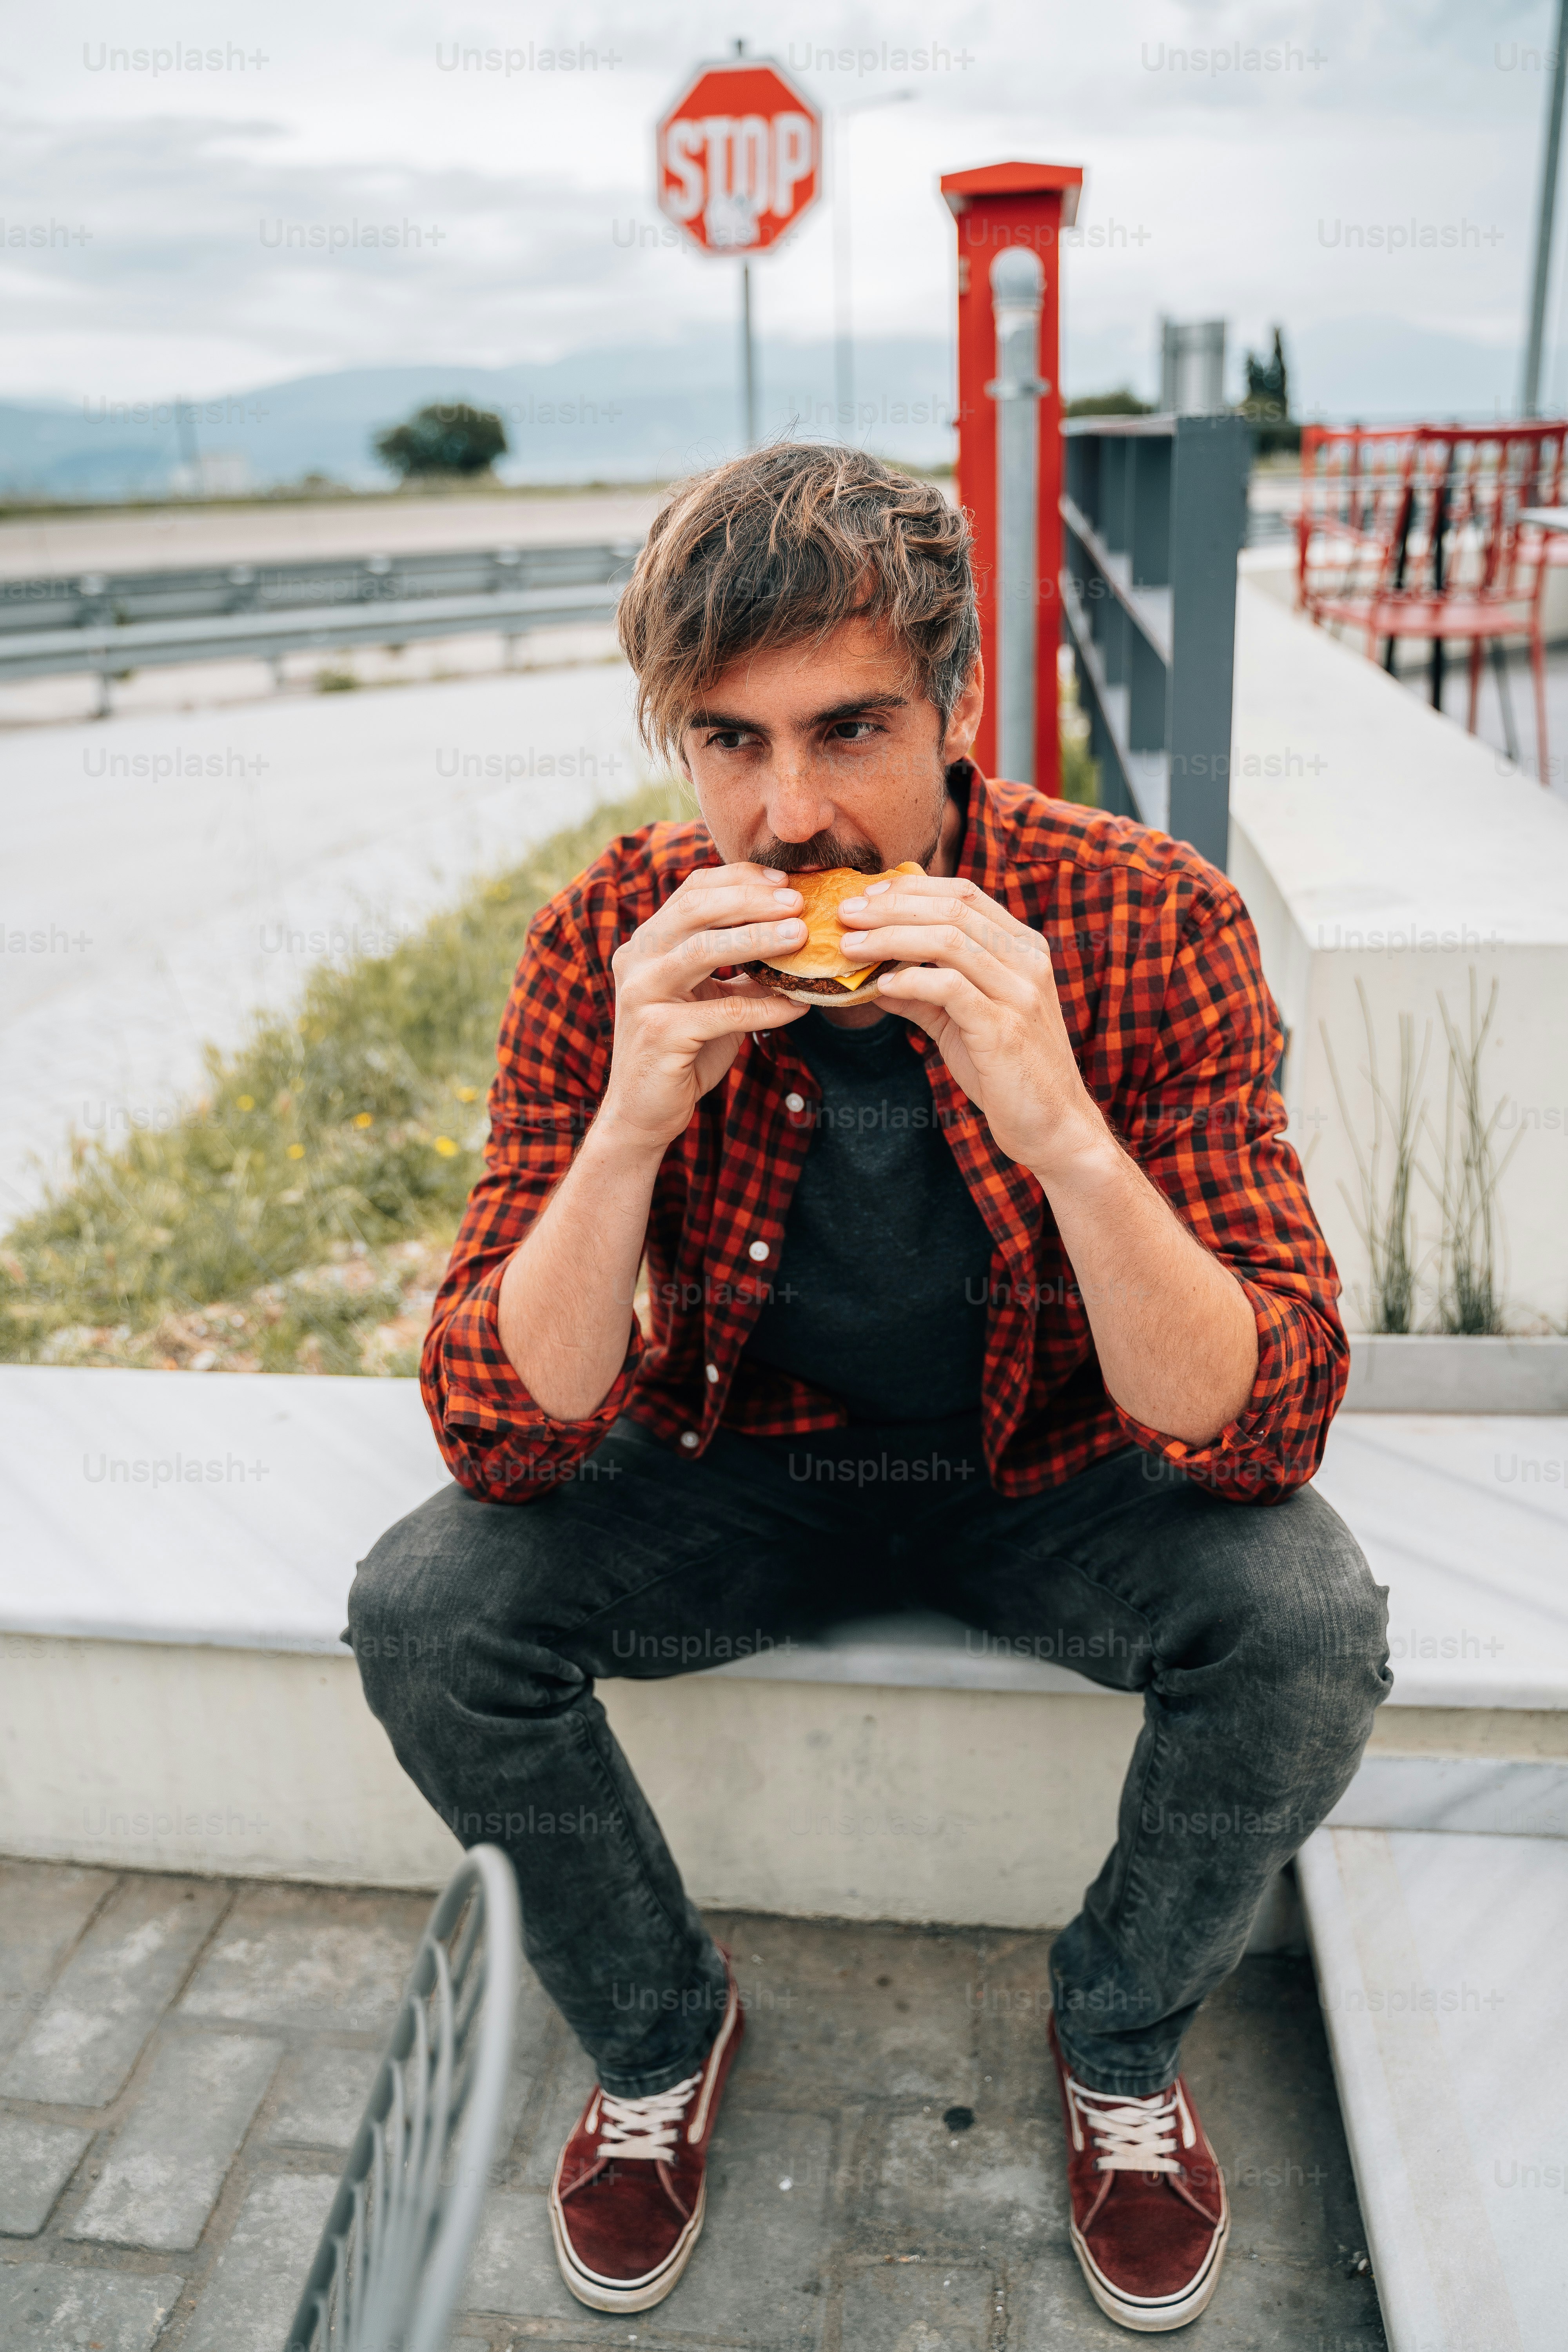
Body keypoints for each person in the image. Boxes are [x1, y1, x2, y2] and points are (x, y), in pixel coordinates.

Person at [348, 444, 1390, 2332]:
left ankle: (1118, 2043)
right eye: (728, 744)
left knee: (1308, 1629)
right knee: (425, 1608)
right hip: (736, 1462)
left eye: (850, 731)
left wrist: (1060, 1123)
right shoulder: (618, 934)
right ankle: (662, 2035)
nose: (792, 816)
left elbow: (1266, 1418)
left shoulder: (1145, 917)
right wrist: (629, 1117)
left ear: (962, 705)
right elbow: (502, 1429)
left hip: (1061, 1470)